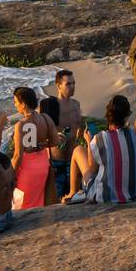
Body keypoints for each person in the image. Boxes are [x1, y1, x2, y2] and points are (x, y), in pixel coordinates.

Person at [62, 95, 136, 204]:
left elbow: (91, 168)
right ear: (126, 117)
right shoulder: (135, 135)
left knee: (78, 151)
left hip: (103, 197)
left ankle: (72, 193)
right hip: (132, 194)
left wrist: (89, 142)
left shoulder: (99, 138)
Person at [9, 86, 55, 209]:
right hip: (42, 165)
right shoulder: (46, 118)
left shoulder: (21, 125)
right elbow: (55, 140)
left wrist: (11, 175)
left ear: (23, 104)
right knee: (37, 201)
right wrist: (41, 145)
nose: (15, 105)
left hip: (27, 168)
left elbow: (18, 155)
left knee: (23, 204)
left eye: (16, 102)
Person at [49, 70, 81, 198]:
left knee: (76, 200)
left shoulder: (76, 105)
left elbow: (78, 127)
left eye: (74, 83)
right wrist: (53, 136)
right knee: (57, 202)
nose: (72, 87)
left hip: (73, 160)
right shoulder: (51, 107)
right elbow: (39, 134)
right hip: (56, 162)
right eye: (68, 84)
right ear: (58, 86)